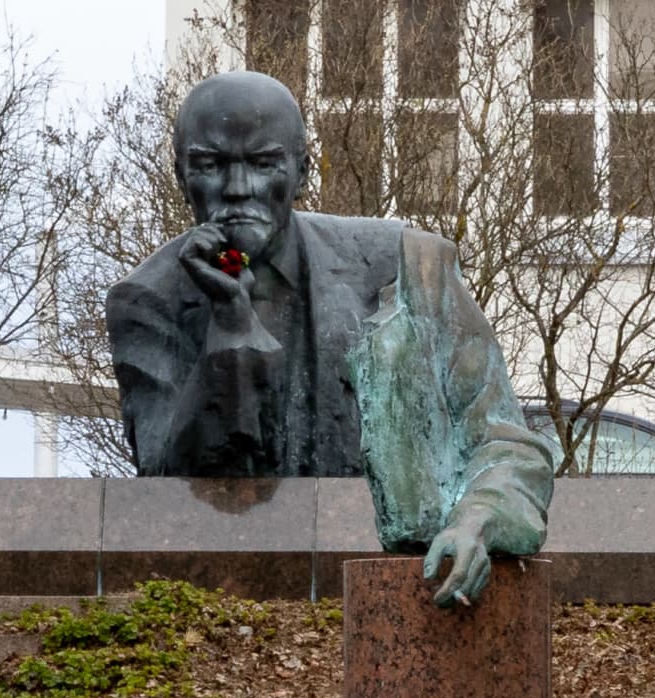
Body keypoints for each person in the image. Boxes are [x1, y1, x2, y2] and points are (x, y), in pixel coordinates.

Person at [106, 71, 553, 607]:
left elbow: (505, 441)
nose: (238, 187)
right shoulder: (146, 301)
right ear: (181, 175)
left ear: (300, 170)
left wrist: (478, 519)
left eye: (264, 162)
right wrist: (229, 327)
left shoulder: (408, 266)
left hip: (406, 591)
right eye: (211, 164)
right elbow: (171, 489)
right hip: (225, 608)